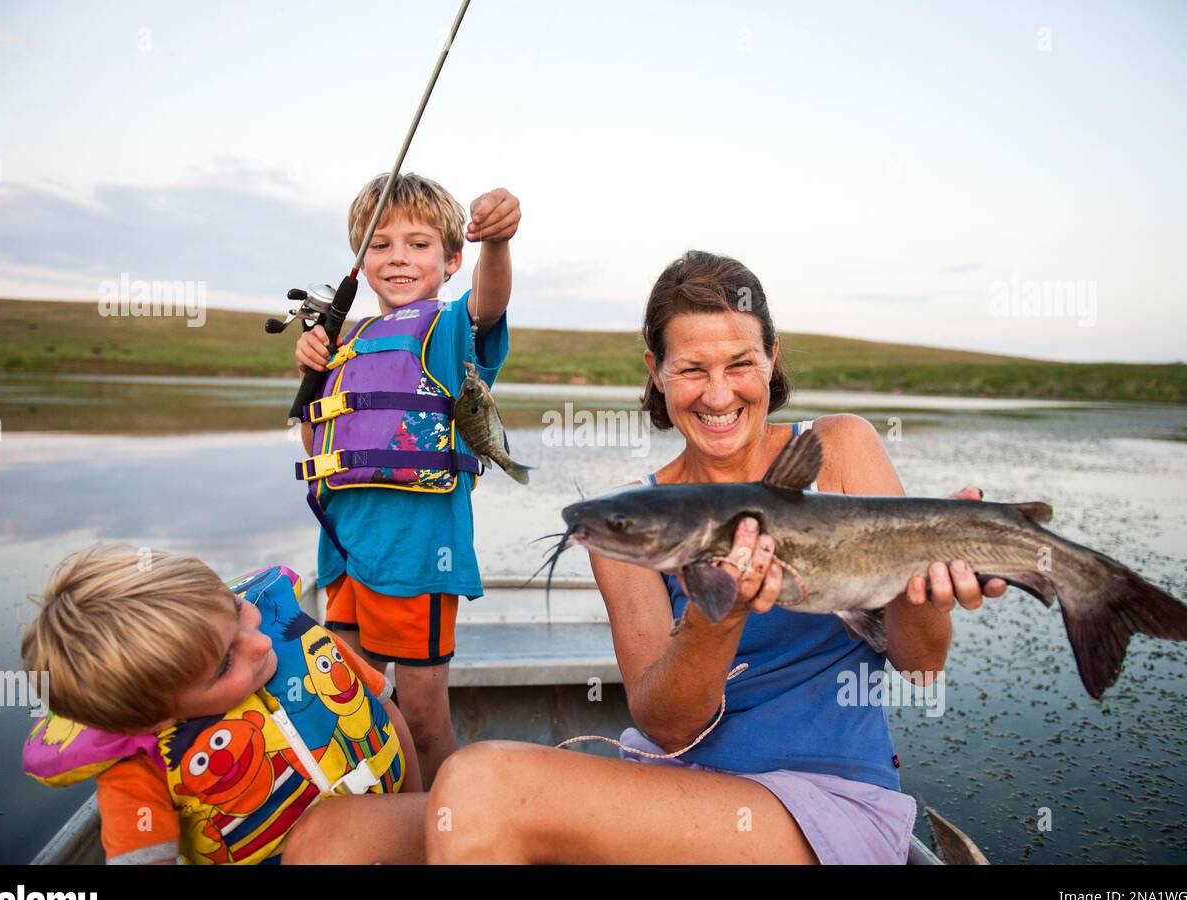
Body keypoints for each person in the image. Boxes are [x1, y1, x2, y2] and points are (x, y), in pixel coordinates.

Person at [418, 250, 1008, 864]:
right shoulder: (630, 529)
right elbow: (667, 727)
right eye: (692, 369)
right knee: (339, 836)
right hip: (673, 791)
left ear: (772, 359)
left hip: (830, 806)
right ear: (657, 370)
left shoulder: (839, 449)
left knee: (479, 785)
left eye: (741, 364)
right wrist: (716, 619)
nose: (719, 393)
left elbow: (920, 667)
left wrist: (924, 591)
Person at [293, 173, 519, 785]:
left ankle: (447, 826)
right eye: (381, 244)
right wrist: (314, 370)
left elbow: (490, 301)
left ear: (451, 260)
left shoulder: (450, 330)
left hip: (418, 557)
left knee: (421, 716)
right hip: (345, 556)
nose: (398, 257)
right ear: (360, 261)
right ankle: (383, 818)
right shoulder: (349, 339)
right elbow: (320, 445)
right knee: (351, 711)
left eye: (418, 244)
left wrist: (497, 243)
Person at [21, 545, 425, 864]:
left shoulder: (290, 635)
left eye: (236, 609)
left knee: (467, 779)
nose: (261, 641)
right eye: (225, 662)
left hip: (397, 834)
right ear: (155, 716)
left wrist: (413, 805)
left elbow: (384, 713)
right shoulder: (138, 772)